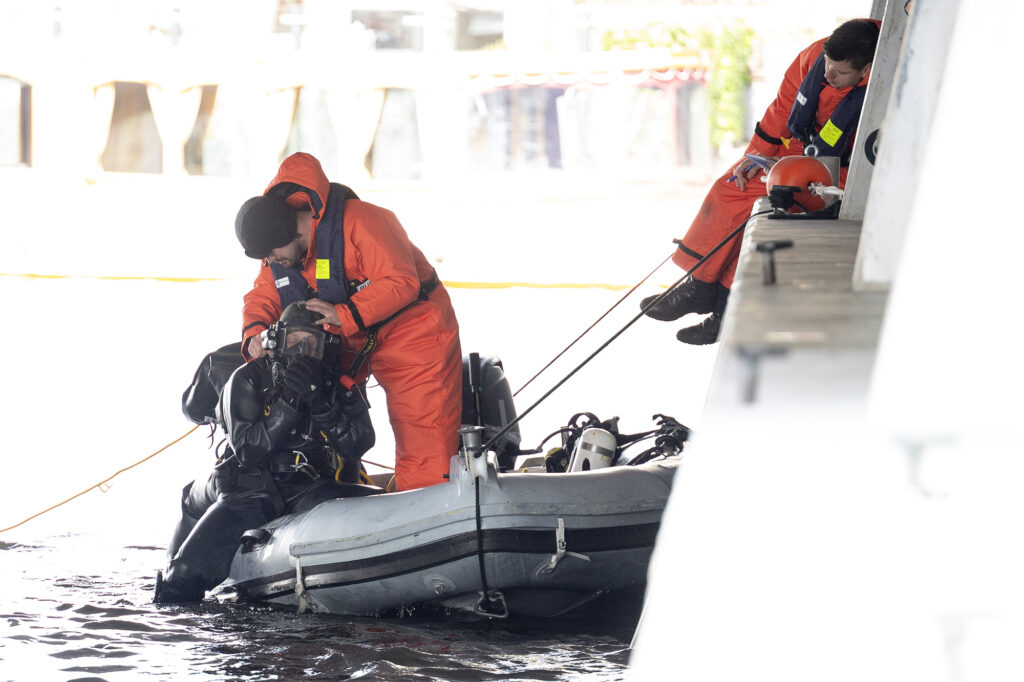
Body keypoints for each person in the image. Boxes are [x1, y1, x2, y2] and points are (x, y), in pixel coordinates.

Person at [642, 18, 880, 344]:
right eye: (827, 66)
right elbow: (783, 110)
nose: (827, 76)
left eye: (839, 74)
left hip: (847, 168)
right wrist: (752, 159)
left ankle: (722, 314)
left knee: (767, 209)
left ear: (866, 71)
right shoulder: (813, 57)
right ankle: (700, 286)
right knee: (730, 187)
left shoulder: (887, 80)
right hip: (803, 149)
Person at [234, 152, 462, 492]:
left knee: (424, 443)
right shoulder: (281, 250)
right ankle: (341, 491)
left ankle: (430, 513)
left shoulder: (364, 222)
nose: (270, 261)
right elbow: (261, 296)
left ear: (289, 231)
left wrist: (345, 314)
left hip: (415, 338)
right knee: (313, 404)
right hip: (351, 342)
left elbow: (401, 281)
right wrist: (254, 332)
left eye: (270, 254)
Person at [154, 302, 376, 604]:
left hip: (310, 485)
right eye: (295, 341)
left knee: (374, 505)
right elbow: (249, 452)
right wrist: (290, 401)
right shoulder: (247, 379)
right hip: (250, 490)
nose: (304, 351)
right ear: (275, 343)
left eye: (313, 344)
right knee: (185, 573)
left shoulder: (334, 383)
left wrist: (321, 404)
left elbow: (359, 443)